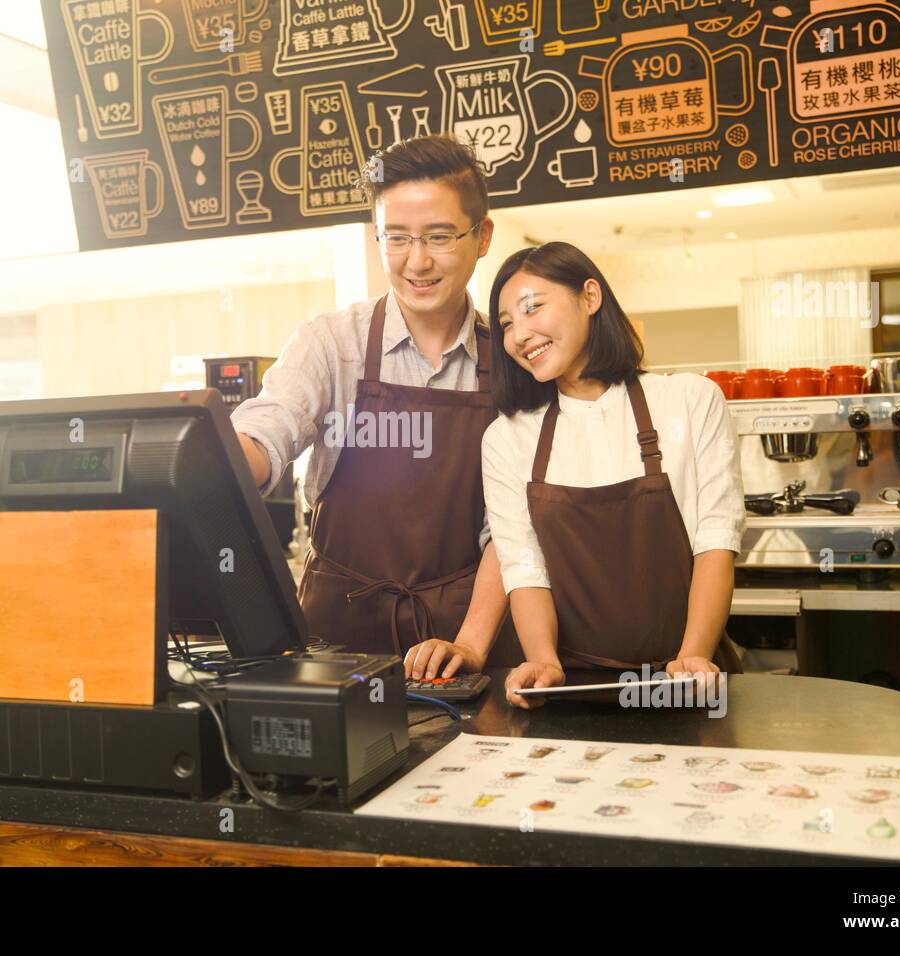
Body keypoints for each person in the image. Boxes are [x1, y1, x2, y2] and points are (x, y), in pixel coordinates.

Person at [232, 135, 509, 666]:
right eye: (397, 238)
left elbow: (512, 527)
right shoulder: (331, 343)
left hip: (461, 642)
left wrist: (469, 644)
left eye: (440, 236)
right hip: (336, 640)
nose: (417, 261)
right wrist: (219, 459)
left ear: (482, 236)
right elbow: (270, 428)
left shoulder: (513, 362)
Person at [481, 242, 745, 709]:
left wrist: (693, 656)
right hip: (572, 688)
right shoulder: (506, 438)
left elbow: (716, 541)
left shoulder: (690, 399)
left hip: (689, 680)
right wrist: (541, 660)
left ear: (590, 297)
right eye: (505, 325)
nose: (519, 334)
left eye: (531, 308)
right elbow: (523, 565)